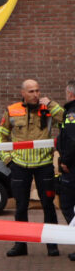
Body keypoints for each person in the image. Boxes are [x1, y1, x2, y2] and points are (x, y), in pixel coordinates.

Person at [0, 79, 65, 257]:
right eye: (31, 91)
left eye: (37, 91)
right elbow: (1, 138)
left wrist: (52, 105)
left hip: (44, 165)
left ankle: (51, 244)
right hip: (20, 166)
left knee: (48, 205)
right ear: (23, 93)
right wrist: (8, 161)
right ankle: (21, 245)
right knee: (20, 207)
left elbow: (67, 122)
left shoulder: (49, 110)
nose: (36, 95)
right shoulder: (12, 110)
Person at [54, 80, 75, 259]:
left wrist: (65, 161)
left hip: (72, 168)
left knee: (67, 205)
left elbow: (72, 140)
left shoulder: (72, 113)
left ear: (70, 93)